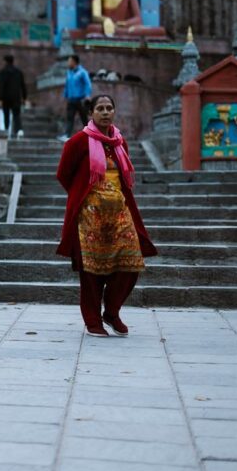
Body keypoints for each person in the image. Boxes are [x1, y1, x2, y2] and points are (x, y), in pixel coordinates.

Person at [56, 94, 156, 337]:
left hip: (120, 212)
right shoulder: (79, 141)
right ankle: (93, 320)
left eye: (109, 108)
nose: (105, 112)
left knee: (131, 264)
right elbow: (63, 174)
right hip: (90, 215)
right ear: (91, 113)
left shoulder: (119, 142)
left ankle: (111, 311)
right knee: (91, 269)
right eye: (99, 108)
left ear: (114, 111)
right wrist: (85, 195)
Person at [60, 54, 92, 142]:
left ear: (74, 62)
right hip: (71, 99)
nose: (68, 63)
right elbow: (67, 85)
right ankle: (67, 135)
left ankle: (91, 135)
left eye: (69, 61)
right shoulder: (69, 72)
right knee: (69, 118)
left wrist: (87, 95)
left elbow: (88, 84)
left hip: (80, 99)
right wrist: (65, 95)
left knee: (84, 118)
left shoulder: (82, 72)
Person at [0, 54, 28, 139]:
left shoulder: (3, 72)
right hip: (16, 97)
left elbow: (0, 86)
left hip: (6, 98)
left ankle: (7, 132)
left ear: (5, 61)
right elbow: (23, 86)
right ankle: (19, 130)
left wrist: (0, 98)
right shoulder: (18, 72)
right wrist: (24, 97)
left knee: (6, 115)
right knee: (16, 115)